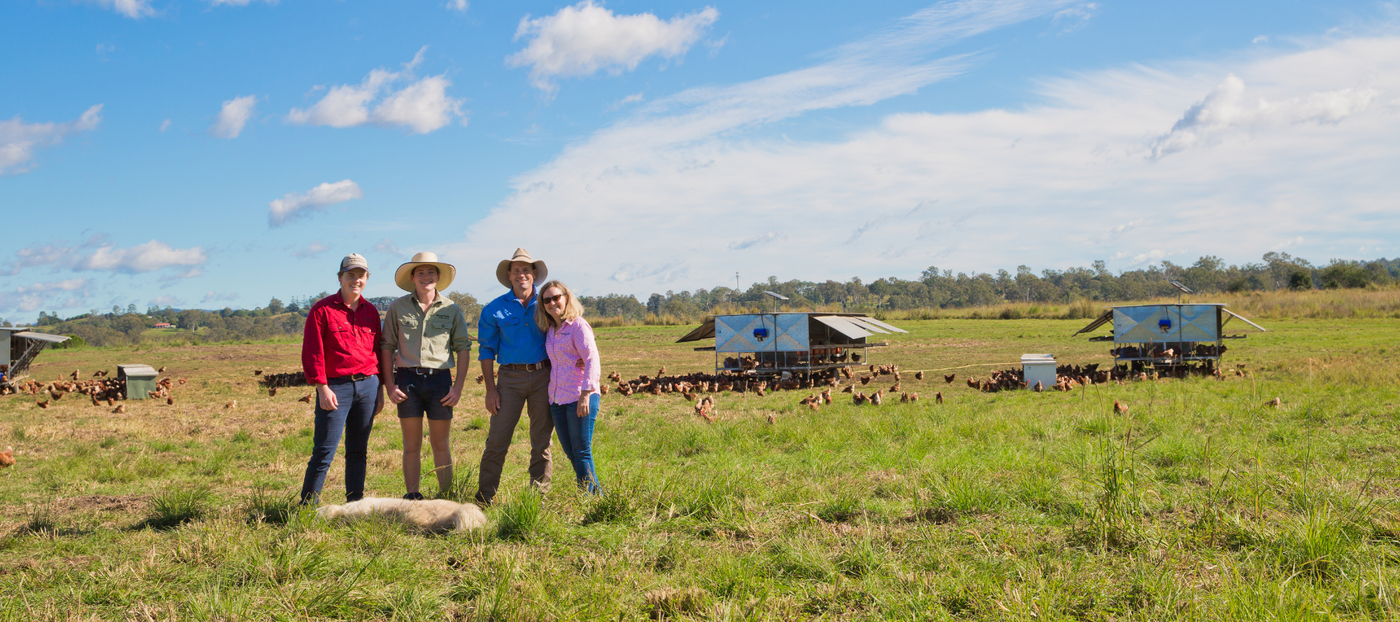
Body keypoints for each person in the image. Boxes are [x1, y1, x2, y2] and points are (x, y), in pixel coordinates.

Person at [379, 252, 473, 500]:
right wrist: (390, 385)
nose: (426, 277)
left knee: (440, 444)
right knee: (411, 446)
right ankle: (412, 497)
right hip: (407, 380)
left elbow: (463, 347)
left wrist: (458, 387)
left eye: (431, 272)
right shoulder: (397, 307)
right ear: (412, 277)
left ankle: (446, 496)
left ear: (438, 277)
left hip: (440, 381)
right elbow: (386, 346)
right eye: (420, 272)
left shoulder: (452, 309)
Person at [300, 253, 385, 504]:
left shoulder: (371, 312)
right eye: (350, 275)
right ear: (340, 278)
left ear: (367, 278)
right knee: (324, 450)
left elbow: (377, 351)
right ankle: (308, 507)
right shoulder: (322, 310)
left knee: (358, 450)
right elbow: (312, 351)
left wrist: (379, 392)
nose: (355, 280)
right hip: (336, 387)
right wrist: (322, 387)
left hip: (368, 385)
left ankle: (354, 504)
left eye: (361, 276)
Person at [475, 248, 553, 505]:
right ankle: (485, 497)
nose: (522, 274)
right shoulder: (493, 309)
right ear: (509, 275)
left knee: (542, 440)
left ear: (534, 275)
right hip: (509, 379)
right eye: (516, 270)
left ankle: (537, 499)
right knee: (497, 439)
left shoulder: (546, 303)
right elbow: (486, 350)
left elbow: (564, 334)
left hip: (543, 376)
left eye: (526, 270)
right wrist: (491, 389)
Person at [535, 280, 602, 494]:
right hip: (557, 399)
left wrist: (585, 394)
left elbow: (591, 359)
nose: (553, 303)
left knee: (582, 451)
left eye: (556, 297)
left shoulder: (578, 326)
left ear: (566, 298)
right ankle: (596, 495)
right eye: (547, 300)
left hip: (578, 396)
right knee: (571, 452)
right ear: (543, 305)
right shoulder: (551, 330)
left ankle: (588, 499)